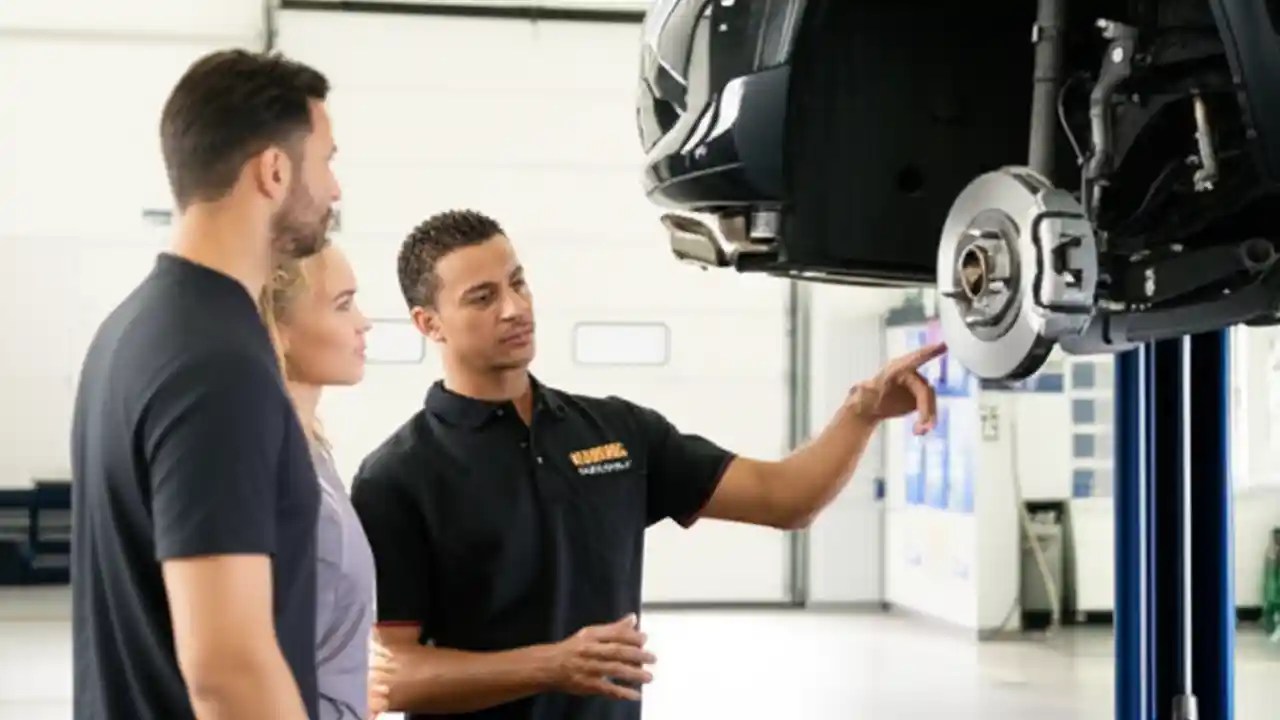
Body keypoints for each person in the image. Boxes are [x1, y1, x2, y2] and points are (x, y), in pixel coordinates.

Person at [349, 209, 945, 720]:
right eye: (483, 298)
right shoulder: (398, 477)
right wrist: (550, 665)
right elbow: (392, 676)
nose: (514, 308)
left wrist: (859, 413)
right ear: (430, 324)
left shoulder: (617, 432)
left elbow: (785, 499)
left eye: (518, 282)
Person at [70, 49, 341, 720]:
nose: (336, 190)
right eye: (328, 161)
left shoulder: (129, 330)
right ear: (274, 171)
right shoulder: (216, 363)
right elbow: (228, 668)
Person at [258, 243, 397, 719]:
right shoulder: (279, 474)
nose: (364, 322)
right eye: (343, 304)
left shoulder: (313, 450)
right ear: (281, 330)